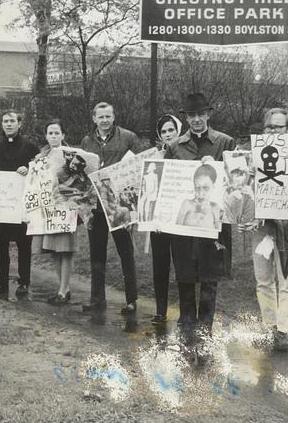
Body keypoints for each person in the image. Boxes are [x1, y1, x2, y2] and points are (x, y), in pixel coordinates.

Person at [165, 93, 236, 353]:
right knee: (184, 275)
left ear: (209, 114)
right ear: (186, 117)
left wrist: (216, 166)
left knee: (209, 278)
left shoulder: (225, 143)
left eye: (200, 114)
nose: (196, 120)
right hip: (185, 222)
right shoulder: (175, 146)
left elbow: (235, 181)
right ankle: (187, 327)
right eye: (191, 115)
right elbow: (169, 185)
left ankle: (205, 331)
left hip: (213, 224)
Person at [243, 108, 288, 353]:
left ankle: (284, 330)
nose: (273, 132)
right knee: (263, 277)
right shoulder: (254, 155)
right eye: (269, 127)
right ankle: (269, 327)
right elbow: (241, 193)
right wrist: (248, 177)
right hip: (262, 225)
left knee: (287, 277)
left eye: (279, 127)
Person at [79, 102, 143, 316]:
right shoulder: (87, 141)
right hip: (95, 204)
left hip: (119, 205)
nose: (104, 120)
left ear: (114, 117)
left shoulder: (128, 137)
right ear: (94, 119)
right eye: (101, 117)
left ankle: (131, 300)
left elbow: (140, 166)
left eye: (108, 116)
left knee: (126, 252)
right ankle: (97, 298)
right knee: (97, 254)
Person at [0, 110, 40, 299]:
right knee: (0, 244)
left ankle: (24, 282)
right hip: (0, 207)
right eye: (5, 121)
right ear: (2, 124)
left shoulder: (30, 148)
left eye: (12, 121)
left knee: (23, 245)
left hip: (21, 206)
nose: (9, 124)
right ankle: (1, 281)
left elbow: (40, 173)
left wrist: (29, 169)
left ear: (20, 124)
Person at [30, 119, 78, 304]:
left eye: (57, 133)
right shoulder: (40, 157)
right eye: (50, 133)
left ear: (63, 135)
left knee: (65, 249)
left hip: (65, 206)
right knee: (55, 250)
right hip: (48, 209)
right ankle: (62, 287)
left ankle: (64, 290)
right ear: (46, 136)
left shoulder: (71, 156)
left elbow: (79, 181)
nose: (53, 136)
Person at [148, 113, 183, 327]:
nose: (168, 134)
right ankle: (161, 310)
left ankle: (183, 311)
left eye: (171, 130)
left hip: (180, 220)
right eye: (164, 131)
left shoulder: (187, 154)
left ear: (178, 131)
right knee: (160, 265)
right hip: (159, 220)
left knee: (181, 267)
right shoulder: (154, 158)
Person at [174, 163, 222, 230]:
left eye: (206, 188)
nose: (201, 193)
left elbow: (219, 234)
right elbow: (176, 230)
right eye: (197, 188)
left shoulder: (215, 208)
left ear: (213, 187)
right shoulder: (187, 204)